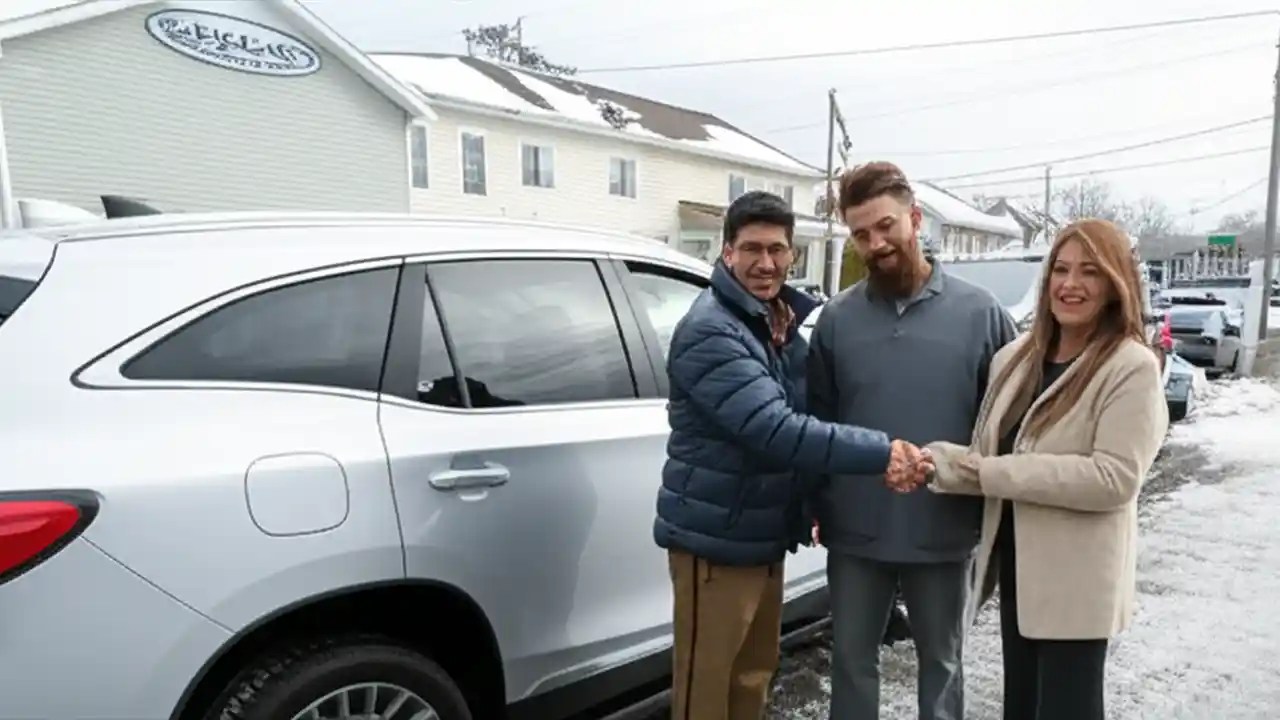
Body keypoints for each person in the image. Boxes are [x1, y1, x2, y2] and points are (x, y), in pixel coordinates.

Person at [653, 190, 930, 720]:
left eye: (778, 250)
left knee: (753, 674)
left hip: (760, 532)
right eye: (752, 249)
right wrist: (881, 452)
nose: (766, 263)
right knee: (706, 690)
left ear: (792, 255)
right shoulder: (712, 329)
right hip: (715, 543)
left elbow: (815, 403)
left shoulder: (769, 322)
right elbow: (775, 429)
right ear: (726, 252)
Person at [924, 218, 1167, 720]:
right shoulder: (1016, 358)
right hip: (1019, 571)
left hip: (1077, 586)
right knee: (1022, 709)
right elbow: (984, 453)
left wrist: (991, 472)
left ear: (1115, 284)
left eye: (1089, 272)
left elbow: (1114, 480)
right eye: (1060, 269)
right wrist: (932, 463)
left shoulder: (1130, 366)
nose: (1070, 284)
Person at [806, 162, 1016, 720]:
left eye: (885, 226)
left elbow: (1007, 422)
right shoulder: (836, 320)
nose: (875, 244)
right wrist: (818, 503)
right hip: (856, 529)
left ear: (916, 219)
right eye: (860, 233)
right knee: (851, 661)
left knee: (942, 663)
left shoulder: (982, 314)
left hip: (944, 528)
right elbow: (818, 421)